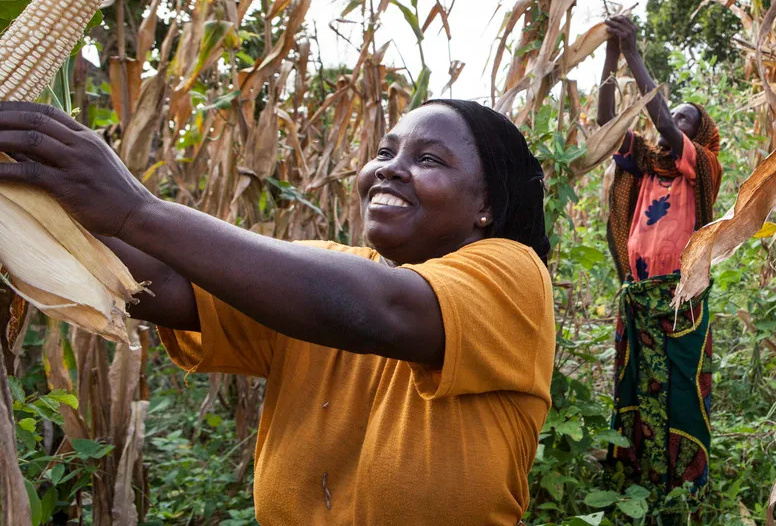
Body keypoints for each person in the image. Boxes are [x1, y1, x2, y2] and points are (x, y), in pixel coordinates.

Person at [0, 99, 555, 525]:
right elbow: (164, 280)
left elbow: (373, 308)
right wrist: (25, 199)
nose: (389, 170)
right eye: (384, 153)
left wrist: (137, 209)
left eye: (428, 159)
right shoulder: (319, 275)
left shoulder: (511, 276)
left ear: (486, 205)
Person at [596, 15, 723, 512]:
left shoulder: (702, 166)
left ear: (699, 133)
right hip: (639, 296)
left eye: (688, 118)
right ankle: (637, 477)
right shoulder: (646, 164)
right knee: (634, 381)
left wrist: (634, 54)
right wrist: (610, 55)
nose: (676, 122)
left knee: (681, 386)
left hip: (680, 298)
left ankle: (683, 489)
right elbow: (607, 125)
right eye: (679, 116)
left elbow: (665, 124)